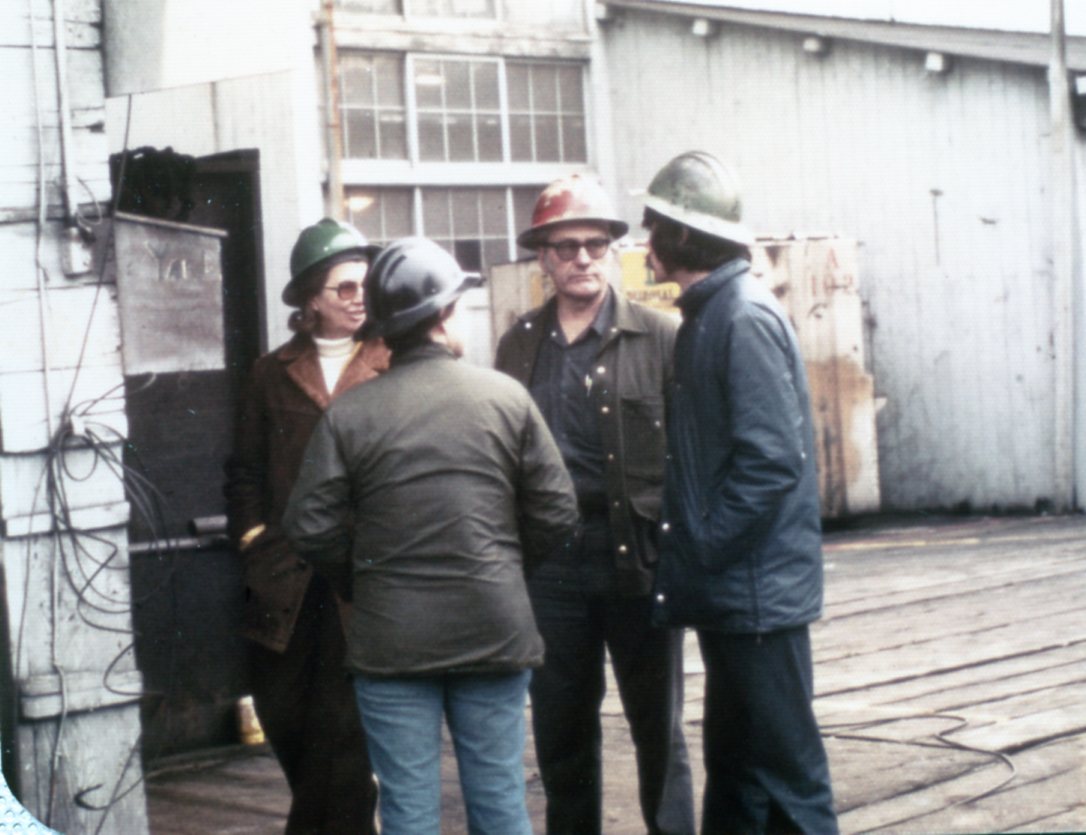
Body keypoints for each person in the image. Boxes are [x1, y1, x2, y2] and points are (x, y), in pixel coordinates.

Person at [282, 236, 579, 835]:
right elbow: (557, 511)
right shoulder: (506, 398)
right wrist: (496, 564)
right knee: (499, 801)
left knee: (408, 810)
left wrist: (364, 577)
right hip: (493, 625)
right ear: (444, 316)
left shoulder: (351, 415)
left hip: (392, 639)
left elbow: (308, 525)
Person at [641, 150, 839, 834]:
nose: (645, 241)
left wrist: (703, 544)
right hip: (737, 595)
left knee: (788, 783)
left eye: (654, 226)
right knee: (739, 776)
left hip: (753, 594)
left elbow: (771, 462)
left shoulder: (741, 317)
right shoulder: (710, 313)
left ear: (683, 238)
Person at [495, 175, 696, 835]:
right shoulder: (518, 346)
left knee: (658, 732)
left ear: (613, 249)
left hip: (638, 561)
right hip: (550, 569)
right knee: (561, 732)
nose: (582, 257)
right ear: (544, 258)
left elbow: (689, 457)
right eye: (566, 246)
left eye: (595, 244)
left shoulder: (662, 338)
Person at [223, 217, 385, 834]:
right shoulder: (271, 372)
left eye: (365, 286)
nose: (358, 298)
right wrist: (254, 541)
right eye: (343, 288)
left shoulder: (390, 360)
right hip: (286, 577)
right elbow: (243, 472)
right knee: (286, 715)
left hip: (359, 577)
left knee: (345, 735)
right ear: (310, 298)